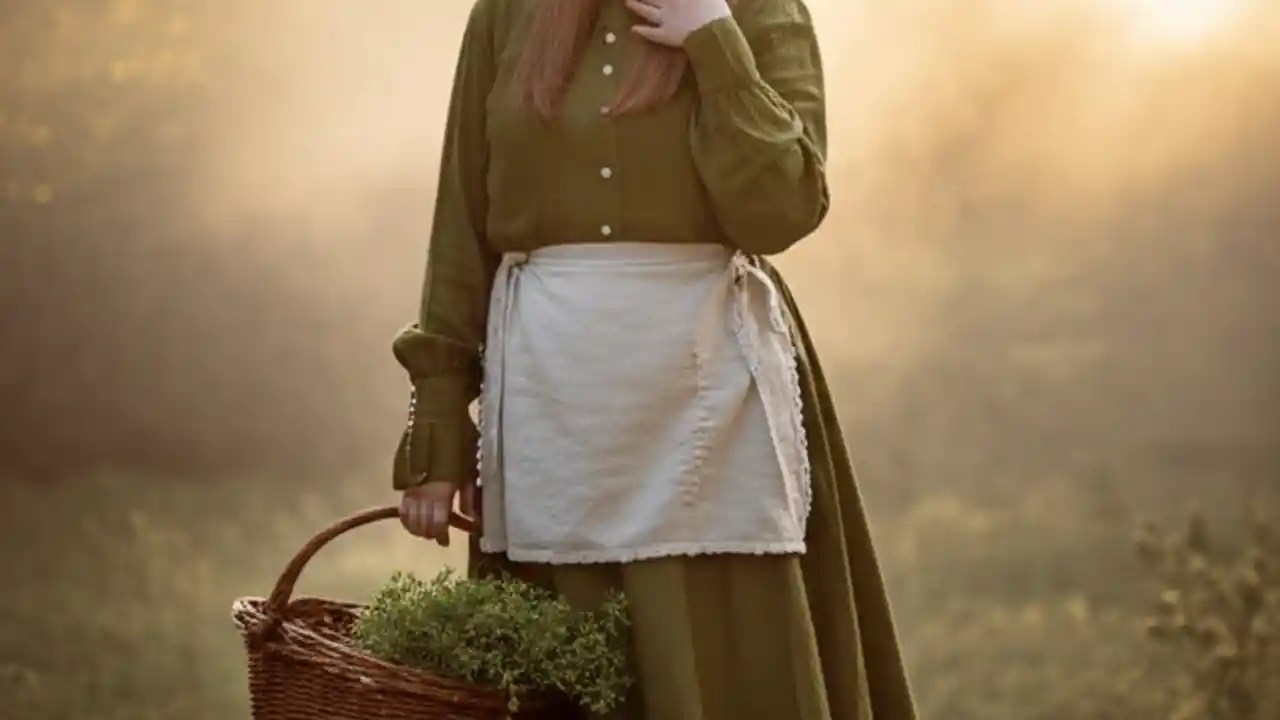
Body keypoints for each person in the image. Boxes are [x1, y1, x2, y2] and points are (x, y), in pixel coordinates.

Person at [391, 0, 918, 717]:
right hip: (553, 394)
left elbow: (783, 210)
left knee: (731, 665)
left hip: (715, 389)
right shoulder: (507, 13)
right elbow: (460, 220)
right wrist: (442, 423)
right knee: (565, 673)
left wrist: (714, 42)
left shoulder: (758, 10)